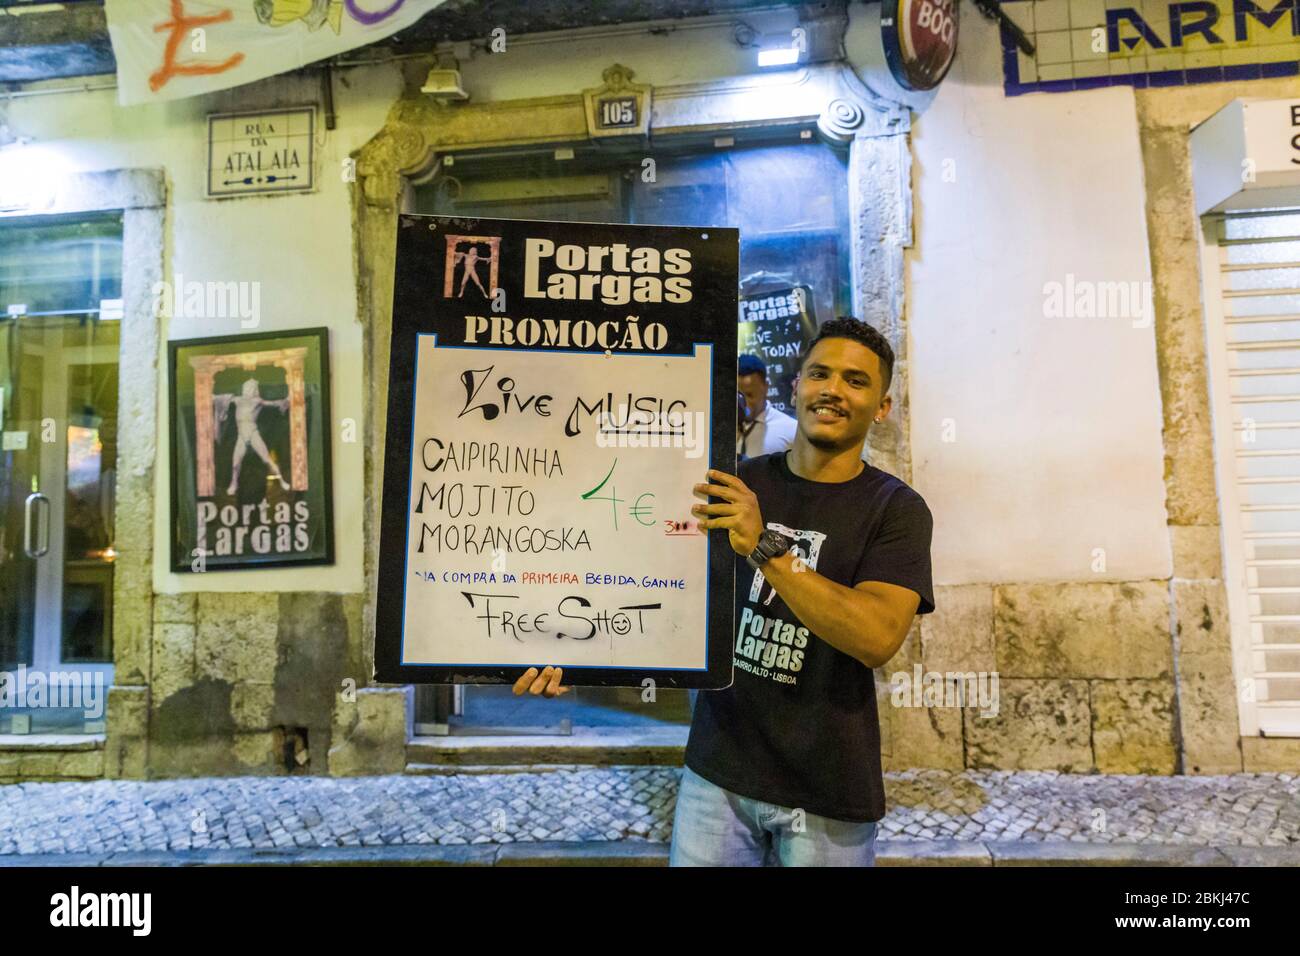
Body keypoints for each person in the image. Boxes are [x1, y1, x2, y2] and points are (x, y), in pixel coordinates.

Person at [513, 317, 935, 867]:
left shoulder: (896, 509)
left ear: (882, 405)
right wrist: (572, 654)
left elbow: (876, 636)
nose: (832, 390)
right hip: (718, 776)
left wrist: (766, 548)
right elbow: (648, 583)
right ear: (796, 386)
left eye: (856, 381)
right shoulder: (731, 482)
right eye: (820, 374)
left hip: (828, 790)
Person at [737, 354, 797, 457]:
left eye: (750, 395)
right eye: (738, 395)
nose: (743, 403)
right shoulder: (721, 427)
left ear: (765, 387)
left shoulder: (792, 431)